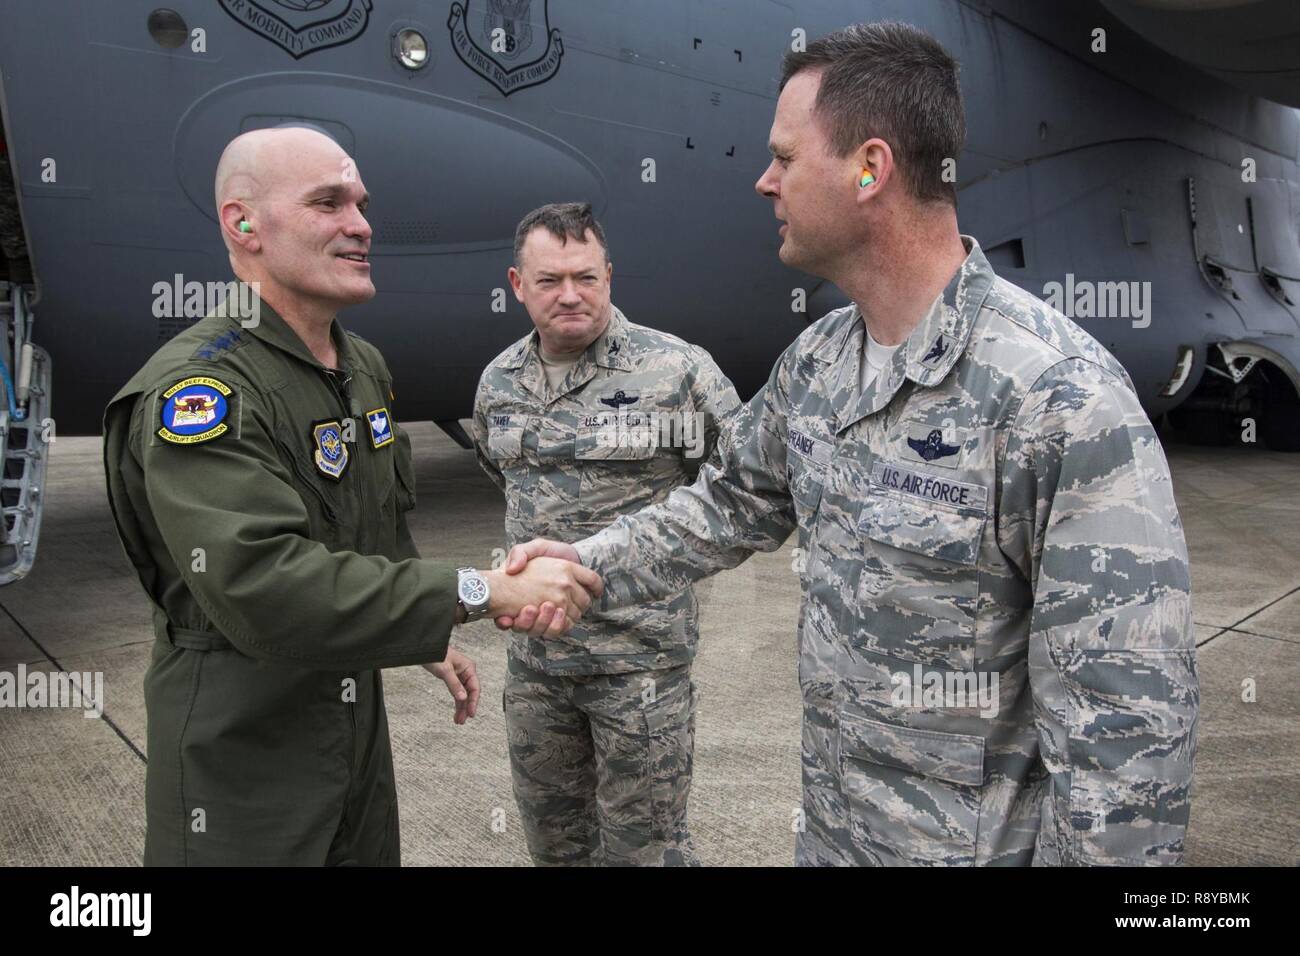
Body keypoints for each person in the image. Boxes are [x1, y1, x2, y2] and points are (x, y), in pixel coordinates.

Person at [500, 23, 1199, 866]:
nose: (764, 182)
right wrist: (583, 560)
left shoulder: (1056, 398)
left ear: (869, 169)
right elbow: (723, 503)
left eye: (785, 159)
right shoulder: (821, 362)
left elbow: (1125, 739)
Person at [102, 127, 600, 866]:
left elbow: (374, 534)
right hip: (245, 755)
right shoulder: (201, 392)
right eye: (329, 202)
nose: (362, 224)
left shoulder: (359, 366)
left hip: (354, 737)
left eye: (361, 204)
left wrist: (426, 638)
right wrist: (481, 589)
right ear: (243, 224)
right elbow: (262, 585)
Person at [472, 202, 741, 865]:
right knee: (555, 847)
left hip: (639, 668)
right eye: (550, 280)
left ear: (610, 276)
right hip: (537, 668)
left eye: (586, 277)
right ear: (516, 284)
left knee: (646, 852)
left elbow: (742, 482)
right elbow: (504, 479)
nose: (571, 295)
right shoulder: (498, 382)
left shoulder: (677, 371)